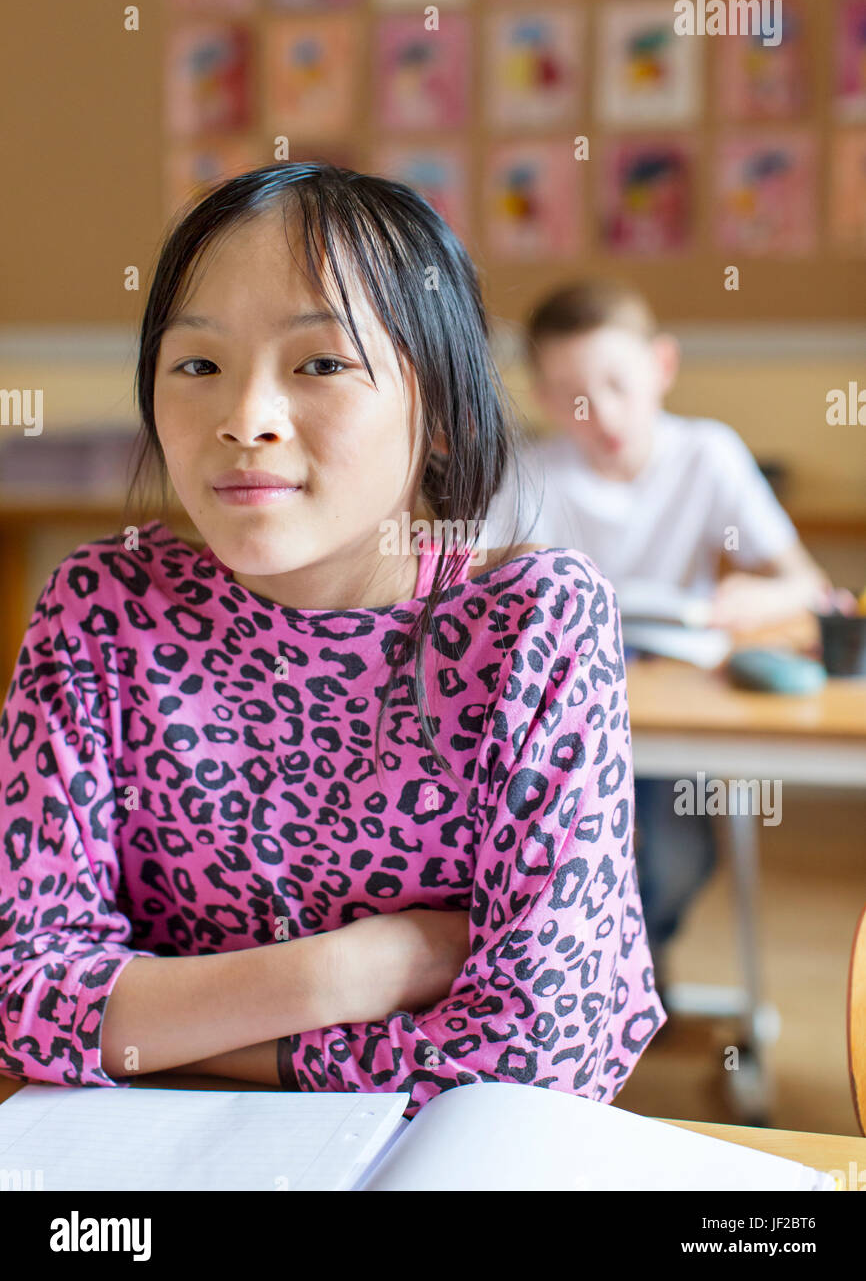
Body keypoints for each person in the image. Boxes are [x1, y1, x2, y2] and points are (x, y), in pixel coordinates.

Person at [0, 166, 665, 1119]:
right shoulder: (101, 607)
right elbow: (24, 995)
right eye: (198, 366)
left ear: (444, 417)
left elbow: (538, 1049)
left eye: (319, 364)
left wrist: (176, 1033)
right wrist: (358, 971)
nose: (245, 420)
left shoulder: (533, 623)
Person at [484, 279, 830, 998]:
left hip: (671, 711)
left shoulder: (707, 454)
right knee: (548, 857)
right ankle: (579, 982)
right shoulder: (529, 473)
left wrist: (761, 591)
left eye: (618, 383)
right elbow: (477, 594)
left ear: (662, 368)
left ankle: (627, 971)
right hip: (566, 722)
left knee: (669, 858)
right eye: (574, 395)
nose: (602, 412)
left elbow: (807, 583)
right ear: (545, 399)